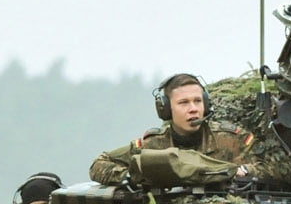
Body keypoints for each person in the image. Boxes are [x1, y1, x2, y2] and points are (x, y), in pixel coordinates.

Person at [88, 72, 257, 187]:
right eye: (183, 103)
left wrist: (244, 171)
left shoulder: (230, 139)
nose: (193, 109)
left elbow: (272, 166)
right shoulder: (153, 144)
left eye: (197, 101)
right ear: (167, 109)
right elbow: (99, 165)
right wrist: (131, 177)